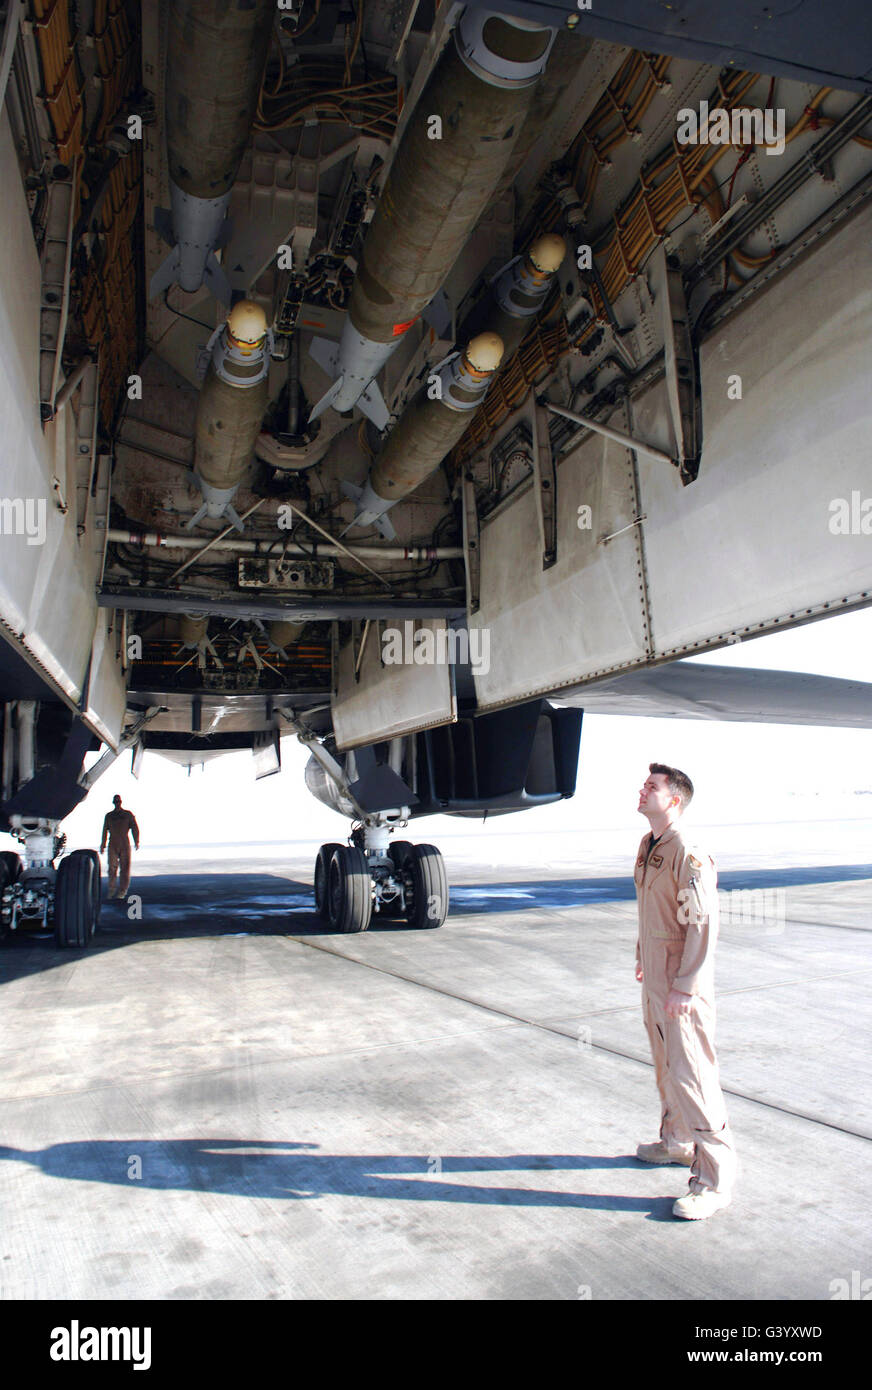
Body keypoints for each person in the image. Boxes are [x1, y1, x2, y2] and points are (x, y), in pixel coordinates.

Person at [633, 763, 736, 1220]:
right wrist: (642, 954)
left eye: (651, 787)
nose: (642, 790)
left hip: (679, 984)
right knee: (665, 1066)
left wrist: (687, 987)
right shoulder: (649, 845)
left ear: (673, 800)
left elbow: (702, 924)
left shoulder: (689, 852)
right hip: (657, 977)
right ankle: (676, 1141)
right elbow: (651, 910)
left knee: (692, 1073)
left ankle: (714, 1179)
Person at [100, 795, 140, 900]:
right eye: (115, 801)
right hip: (112, 844)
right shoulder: (109, 816)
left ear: (121, 802)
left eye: (118, 801)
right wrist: (103, 844)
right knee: (112, 868)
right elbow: (104, 830)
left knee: (125, 868)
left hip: (124, 844)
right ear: (113, 803)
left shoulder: (127, 814)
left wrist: (136, 841)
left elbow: (134, 828)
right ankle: (112, 890)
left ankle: (122, 891)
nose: (117, 803)